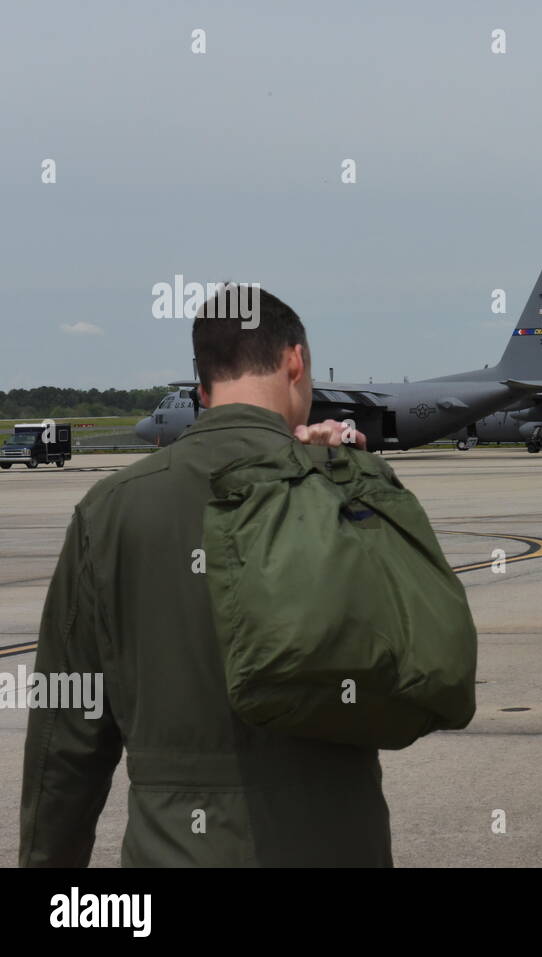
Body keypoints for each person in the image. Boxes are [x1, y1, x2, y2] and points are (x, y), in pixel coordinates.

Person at [20, 286, 419, 866]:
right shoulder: (344, 485)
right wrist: (354, 480)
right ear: (295, 362)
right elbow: (420, 671)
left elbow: (66, 736)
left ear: (202, 387)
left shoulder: (109, 509)